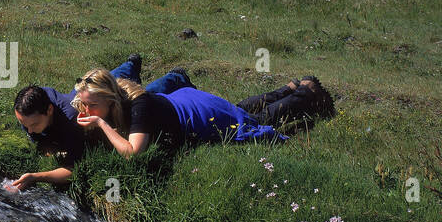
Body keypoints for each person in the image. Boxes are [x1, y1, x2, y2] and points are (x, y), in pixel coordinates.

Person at [7, 55, 193, 190]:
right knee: (115, 84)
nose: (29, 132)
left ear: (48, 111)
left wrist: (99, 123)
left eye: (33, 126)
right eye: (25, 126)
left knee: (139, 92)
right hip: (89, 95)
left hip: (118, 98)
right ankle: (131, 64)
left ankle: (173, 76)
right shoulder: (32, 108)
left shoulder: (71, 119)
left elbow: (75, 167)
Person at [71, 68, 294, 161]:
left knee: (252, 122)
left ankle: (306, 93)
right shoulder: (97, 105)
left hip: (195, 113)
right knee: (239, 110)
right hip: (179, 101)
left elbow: (132, 153)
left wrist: (100, 123)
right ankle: (289, 89)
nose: (86, 110)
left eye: (91, 105)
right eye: (84, 103)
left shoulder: (138, 104)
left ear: (110, 101)